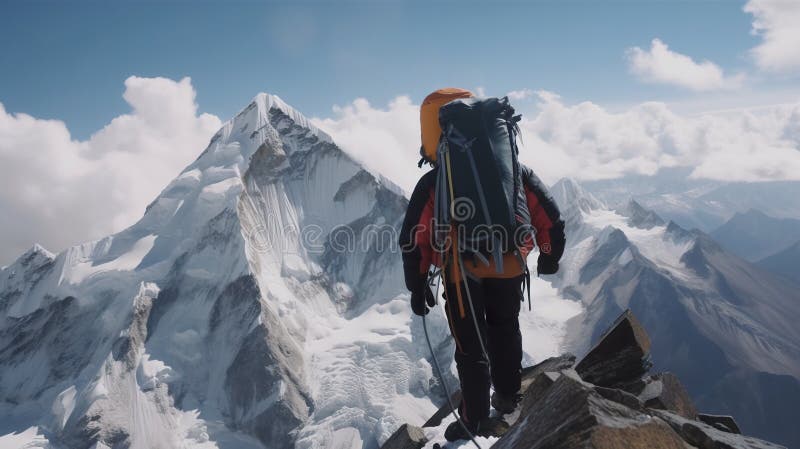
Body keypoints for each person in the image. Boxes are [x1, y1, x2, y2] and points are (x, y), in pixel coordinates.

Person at [399, 88, 566, 442]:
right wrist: (549, 256)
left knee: (470, 347)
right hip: (510, 261)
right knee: (506, 329)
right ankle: (508, 398)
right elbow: (550, 216)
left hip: (462, 270)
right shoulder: (514, 171)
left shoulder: (434, 182)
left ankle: (473, 420)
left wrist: (417, 285)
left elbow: (415, 238)